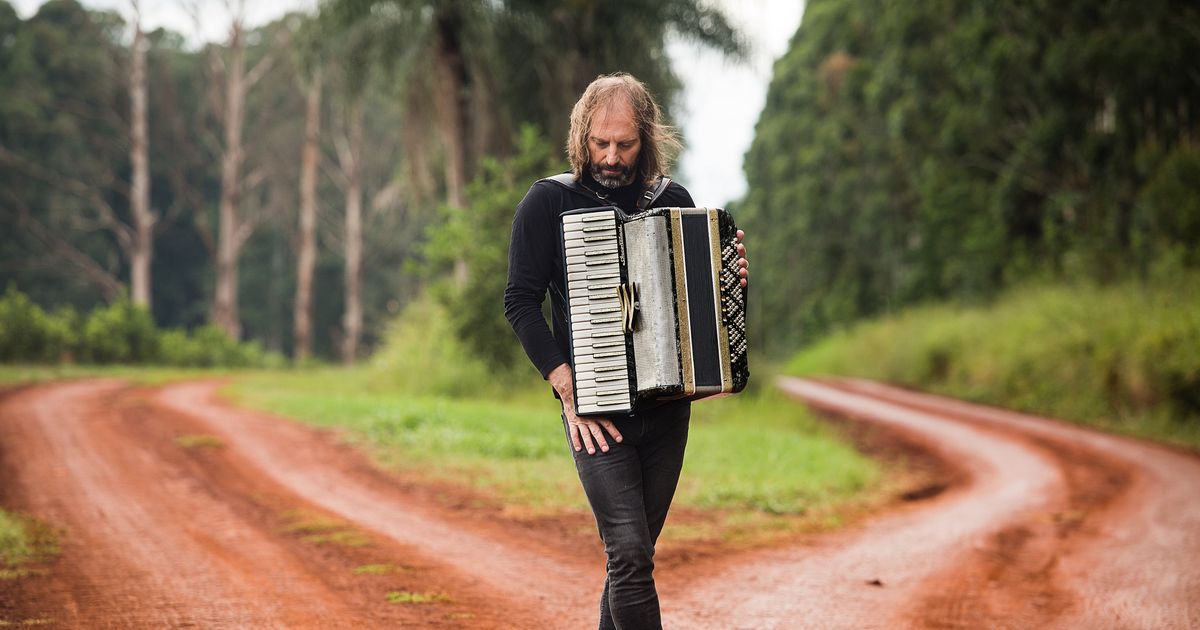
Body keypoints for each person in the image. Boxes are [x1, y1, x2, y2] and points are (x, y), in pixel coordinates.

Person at [504, 72, 748, 629]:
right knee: (629, 555)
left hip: (666, 414)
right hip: (596, 412)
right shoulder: (548, 203)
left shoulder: (675, 202)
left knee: (632, 562)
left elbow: (704, 308)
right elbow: (520, 302)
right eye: (599, 143)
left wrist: (731, 282)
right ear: (581, 137)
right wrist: (568, 389)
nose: (611, 157)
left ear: (646, 140)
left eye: (625, 144)